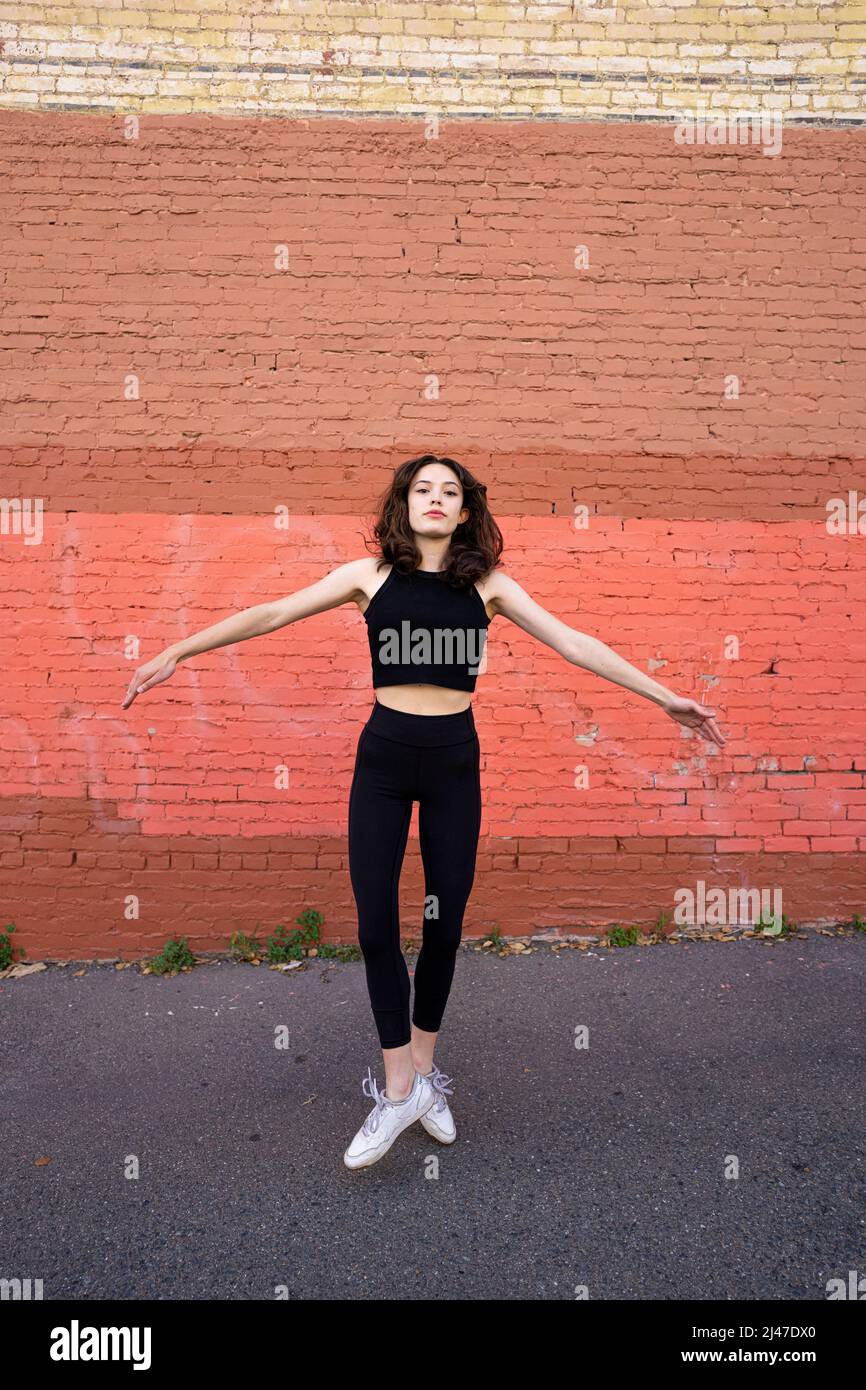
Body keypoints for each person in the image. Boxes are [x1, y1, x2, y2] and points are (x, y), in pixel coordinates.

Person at [122, 453, 726, 1170]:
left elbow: (575, 645)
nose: (435, 500)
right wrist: (179, 650)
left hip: (452, 763)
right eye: (422, 489)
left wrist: (665, 698)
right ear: (404, 505)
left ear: (466, 510)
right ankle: (399, 1086)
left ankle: (424, 1077)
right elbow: (273, 612)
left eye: (449, 492)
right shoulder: (367, 577)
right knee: (376, 926)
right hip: (382, 760)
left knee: (444, 927)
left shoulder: (489, 586)